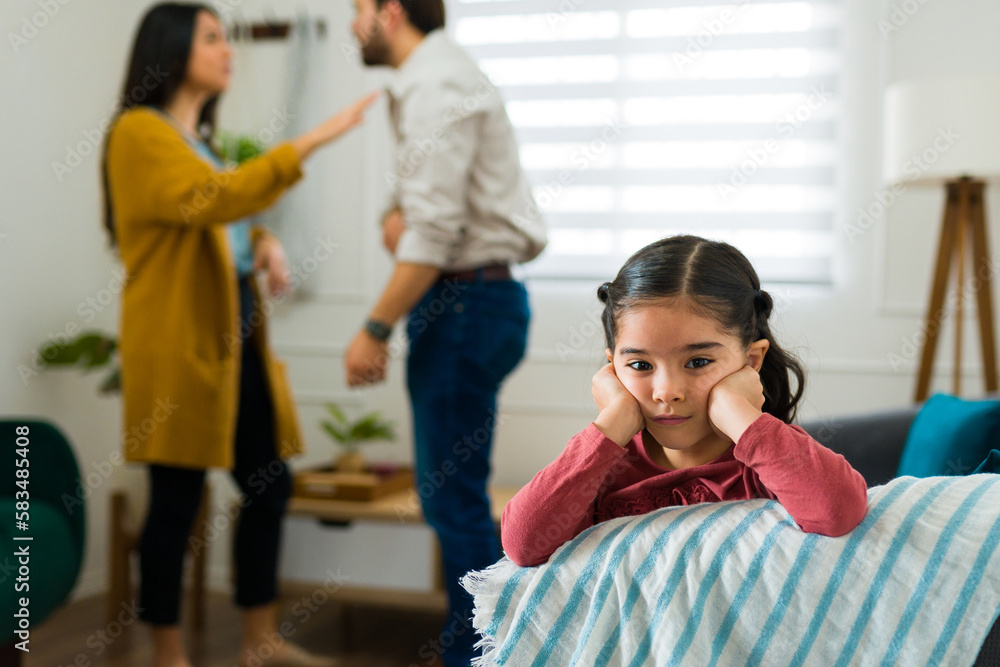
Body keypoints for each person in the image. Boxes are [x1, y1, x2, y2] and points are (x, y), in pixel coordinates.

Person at [102, 4, 376, 666]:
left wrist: (264, 238)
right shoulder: (138, 132)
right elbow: (215, 198)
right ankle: (167, 651)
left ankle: (260, 639)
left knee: (268, 482)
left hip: (236, 332)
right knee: (178, 499)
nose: (229, 50)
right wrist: (310, 141)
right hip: (179, 341)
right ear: (170, 49)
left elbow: (219, 217)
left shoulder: (200, 140)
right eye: (213, 38)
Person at [344, 0, 546, 664]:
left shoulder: (435, 84)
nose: (353, 25)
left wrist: (373, 327)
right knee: (457, 496)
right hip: (472, 299)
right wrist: (405, 220)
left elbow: (426, 236)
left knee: (452, 503)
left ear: (390, 11)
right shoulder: (436, 80)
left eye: (357, 10)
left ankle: (483, 652)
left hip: (464, 302)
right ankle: (484, 645)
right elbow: (408, 217)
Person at [501, 235, 869, 568]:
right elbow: (523, 544)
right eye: (641, 365)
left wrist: (740, 417)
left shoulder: (770, 460)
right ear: (611, 371)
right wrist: (612, 424)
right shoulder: (602, 468)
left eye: (697, 362)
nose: (667, 391)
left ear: (751, 361)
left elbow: (839, 511)